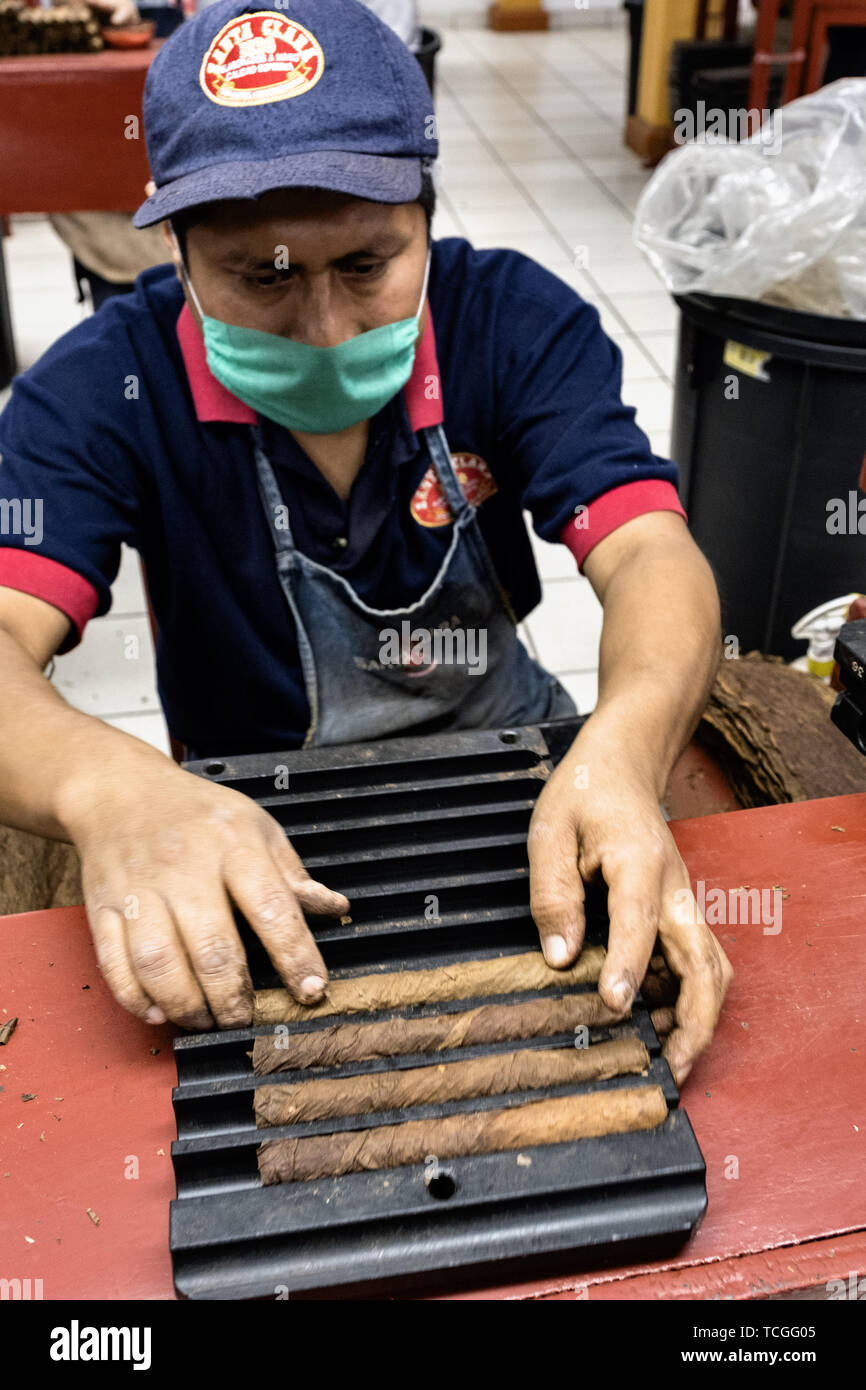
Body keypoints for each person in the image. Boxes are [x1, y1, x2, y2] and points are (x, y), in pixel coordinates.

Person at [0, 0, 731, 1082]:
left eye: (366, 264)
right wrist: (109, 789)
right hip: (248, 816)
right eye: (263, 276)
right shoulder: (103, 391)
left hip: (521, 781)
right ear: (174, 248)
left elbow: (648, 555)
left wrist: (622, 750)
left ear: (426, 218)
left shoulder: (511, 326)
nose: (327, 326)